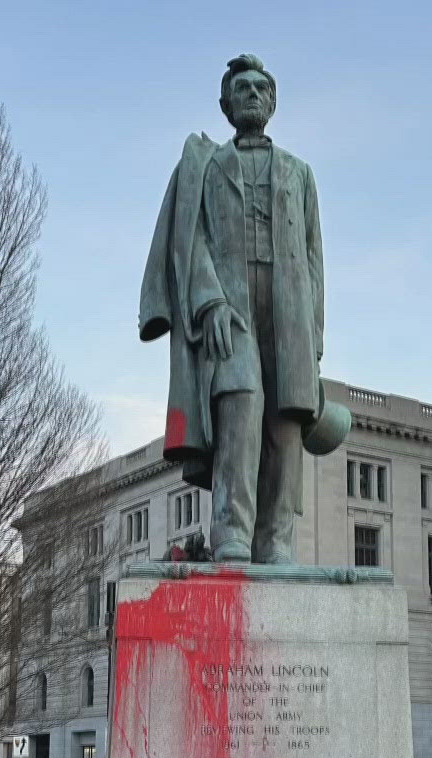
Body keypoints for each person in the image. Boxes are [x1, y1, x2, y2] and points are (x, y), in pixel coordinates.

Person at [140, 54, 349, 565]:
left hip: (289, 313)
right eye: (242, 88)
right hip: (230, 306)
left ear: (273, 102)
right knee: (239, 404)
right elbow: (192, 243)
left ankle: (276, 539)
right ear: (225, 103)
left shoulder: (300, 174)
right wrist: (208, 300)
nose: (252, 94)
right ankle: (231, 530)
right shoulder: (206, 167)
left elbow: (316, 259)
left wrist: (314, 340)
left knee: (285, 424)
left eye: (261, 88)